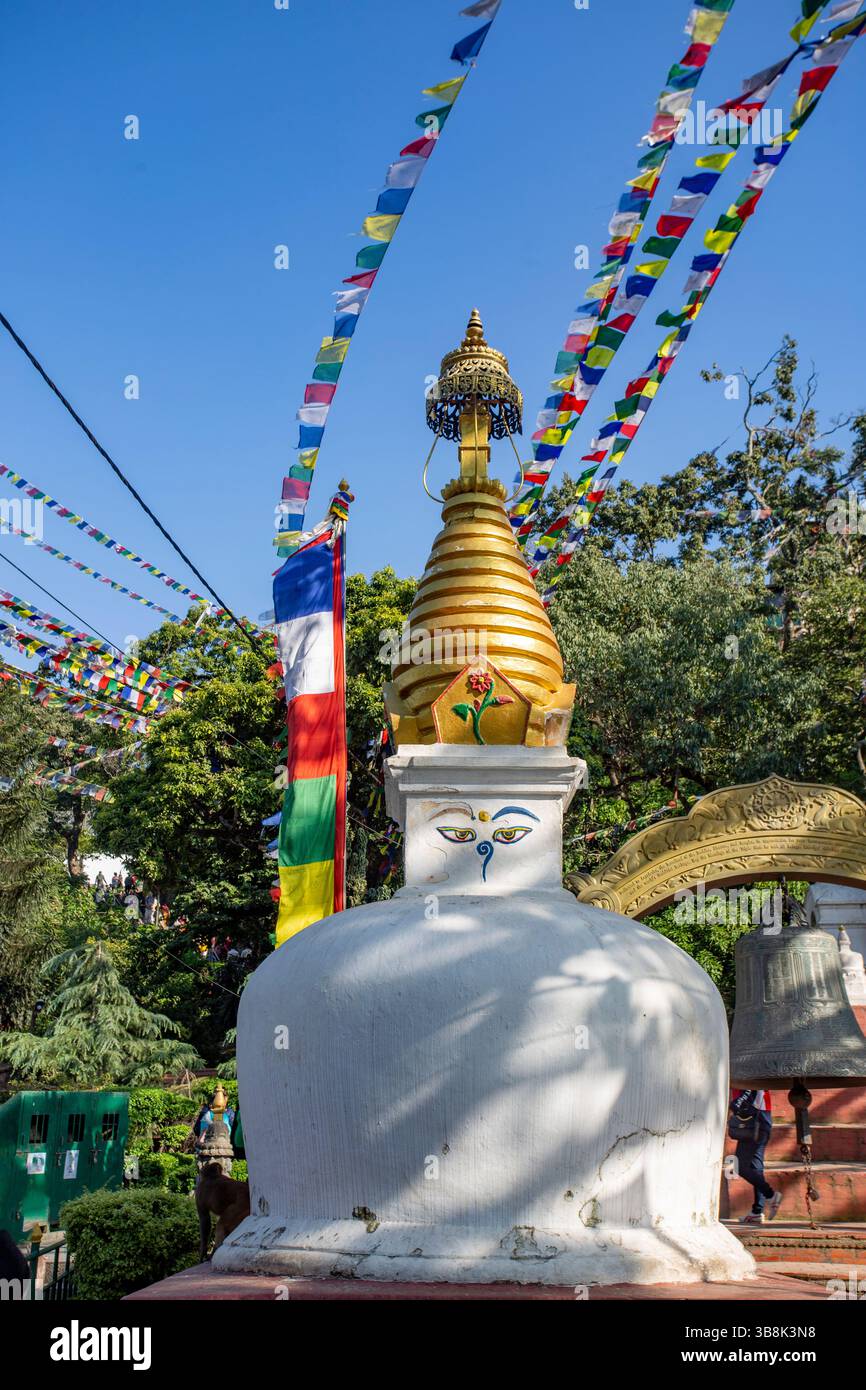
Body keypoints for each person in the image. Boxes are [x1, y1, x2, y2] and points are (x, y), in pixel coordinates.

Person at [729, 1088, 783, 1225]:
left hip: (754, 1123)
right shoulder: (754, 1072)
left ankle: (771, 1195)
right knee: (756, 1168)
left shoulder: (749, 1075)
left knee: (739, 1166)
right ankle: (757, 1211)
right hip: (759, 1122)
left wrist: (736, 1104)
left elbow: (752, 1090)